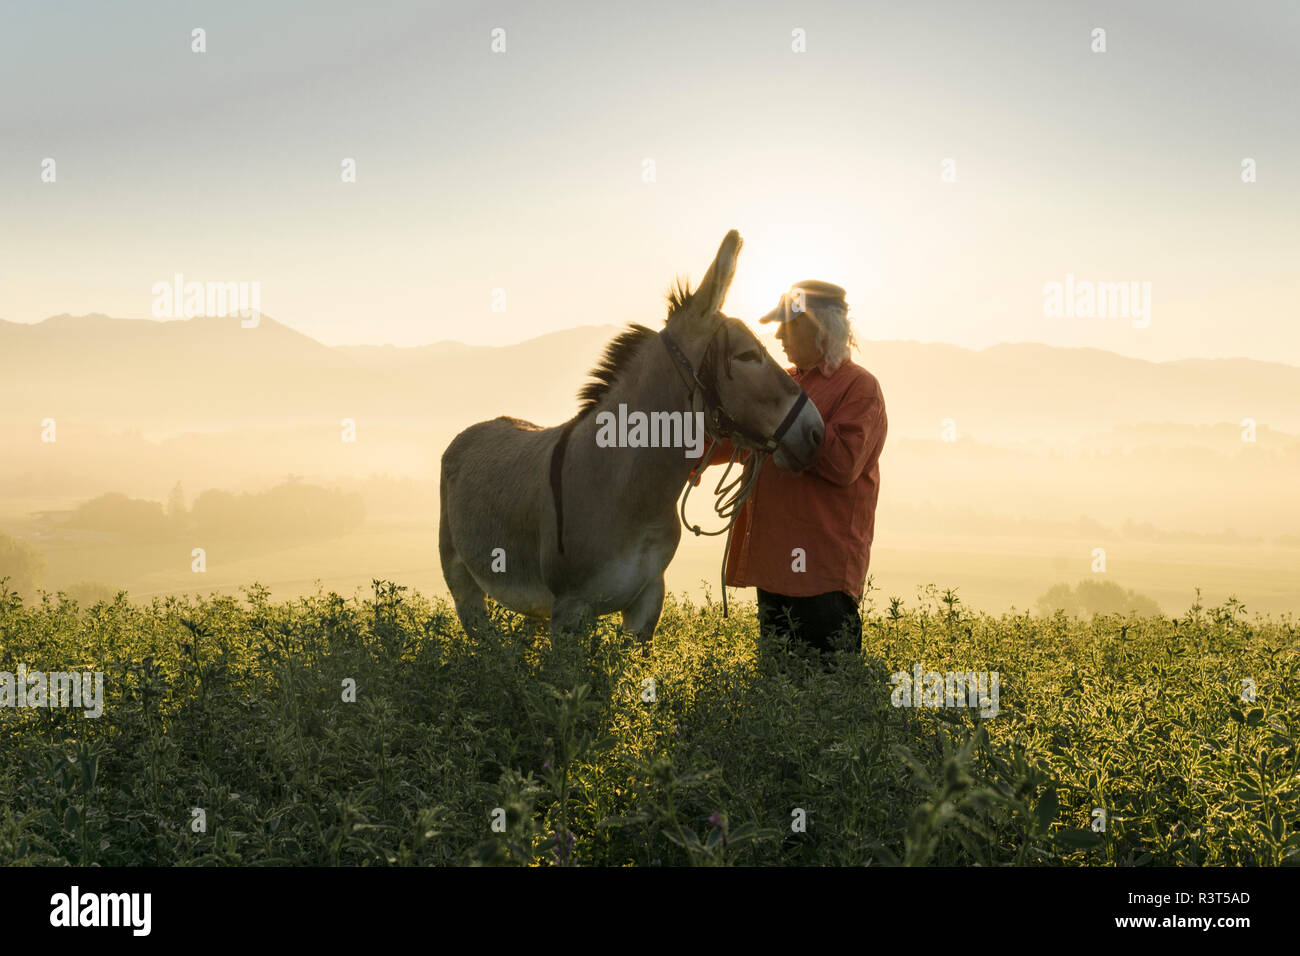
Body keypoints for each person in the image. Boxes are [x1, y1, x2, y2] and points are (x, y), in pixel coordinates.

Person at [703, 280, 887, 661]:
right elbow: (733, 442)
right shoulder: (783, 382)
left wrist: (784, 420)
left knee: (828, 694)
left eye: (790, 324)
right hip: (774, 567)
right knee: (779, 693)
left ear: (821, 329)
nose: (779, 334)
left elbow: (842, 465)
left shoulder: (860, 388)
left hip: (822, 574)